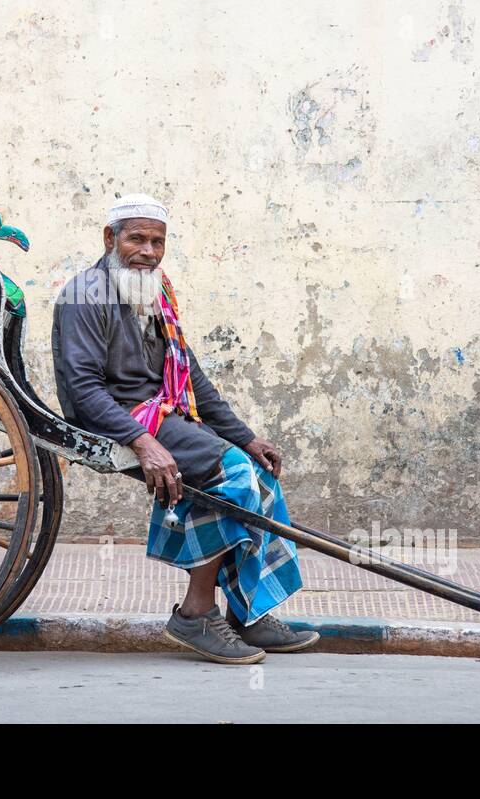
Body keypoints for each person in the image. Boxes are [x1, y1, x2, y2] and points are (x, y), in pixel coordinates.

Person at [51, 193, 319, 664]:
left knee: (258, 470)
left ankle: (248, 614)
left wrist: (245, 435)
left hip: (161, 414)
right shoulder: (85, 292)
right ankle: (195, 614)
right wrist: (142, 441)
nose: (148, 251)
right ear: (110, 238)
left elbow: (189, 375)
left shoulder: (155, 290)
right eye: (136, 238)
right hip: (116, 417)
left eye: (158, 242)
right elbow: (82, 388)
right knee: (232, 474)